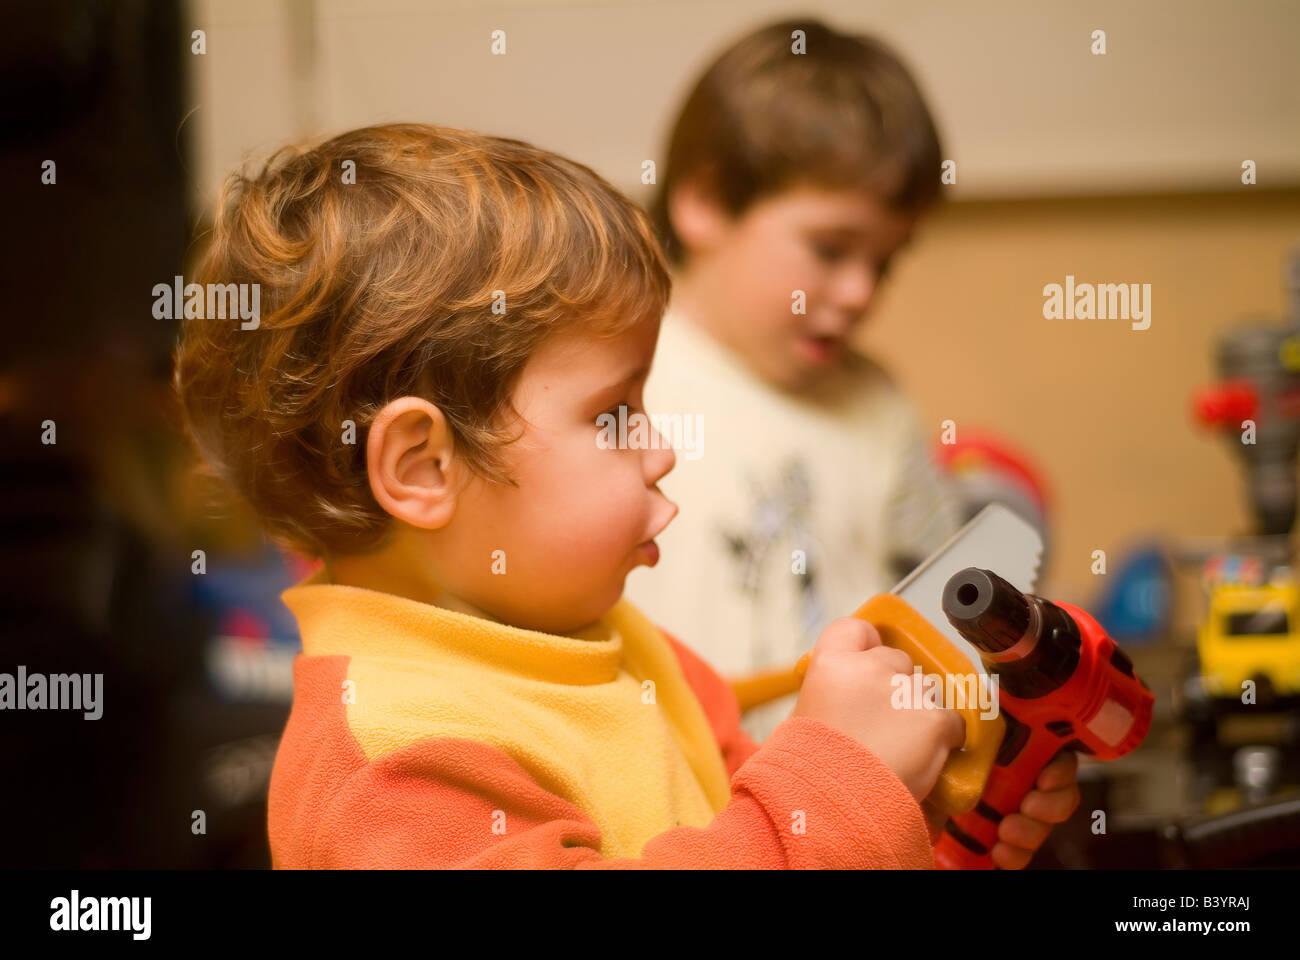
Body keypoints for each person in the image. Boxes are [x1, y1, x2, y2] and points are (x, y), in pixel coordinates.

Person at [173, 123, 1077, 868]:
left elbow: (761, 836)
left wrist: (928, 816)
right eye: (613, 415)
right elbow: (794, 831)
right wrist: (840, 771)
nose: (660, 450)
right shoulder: (393, 762)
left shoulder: (617, 644)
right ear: (422, 466)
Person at [625, 19, 967, 742]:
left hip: (851, 799)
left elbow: (945, 614)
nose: (858, 292)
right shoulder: (618, 379)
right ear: (707, 204)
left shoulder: (876, 405)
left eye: (884, 261)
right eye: (831, 248)